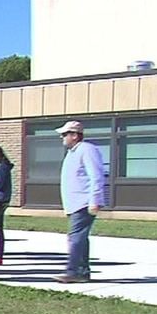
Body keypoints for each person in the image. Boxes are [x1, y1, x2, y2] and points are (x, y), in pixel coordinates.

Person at [55, 120, 105, 283]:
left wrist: (94, 200)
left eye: (65, 134)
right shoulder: (73, 153)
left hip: (84, 202)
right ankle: (82, 272)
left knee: (75, 237)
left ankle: (74, 271)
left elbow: (96, 176)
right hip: (74, 203)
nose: (62, 138)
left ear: (75, 135)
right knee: (79, 238)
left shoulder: (87, 150)